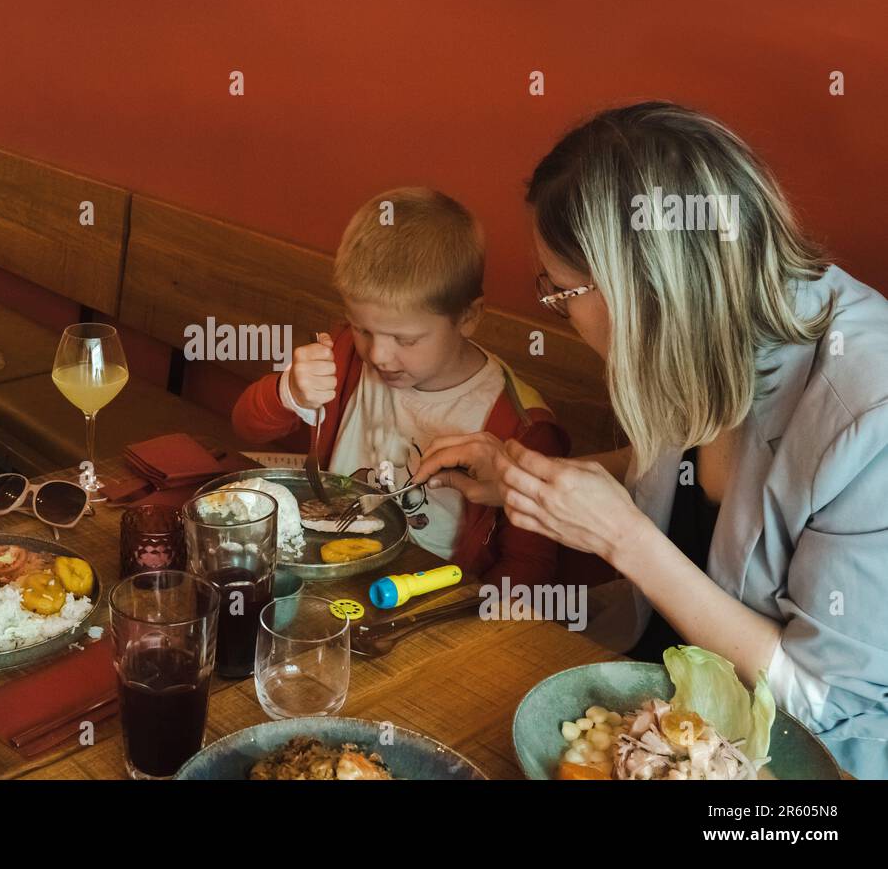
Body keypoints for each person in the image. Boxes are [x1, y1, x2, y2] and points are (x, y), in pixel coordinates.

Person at [415, 103, 888, 778]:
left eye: (562, 291)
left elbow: (825, 703)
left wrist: (625, 541)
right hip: (649, 714)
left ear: (647, 290)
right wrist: (532, 478)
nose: (559, 308)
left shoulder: (870, 417)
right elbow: (688, 479)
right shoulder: (702, 328)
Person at [233, 187, 569, 585]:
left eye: (406, 340)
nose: (378, 355)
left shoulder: (520, 424)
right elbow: (246, 425)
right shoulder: (345, 355)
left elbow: (529, 567)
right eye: (362, 328)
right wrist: (288, 391)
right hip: (327, 574)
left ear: (468, 317)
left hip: (431, 600)